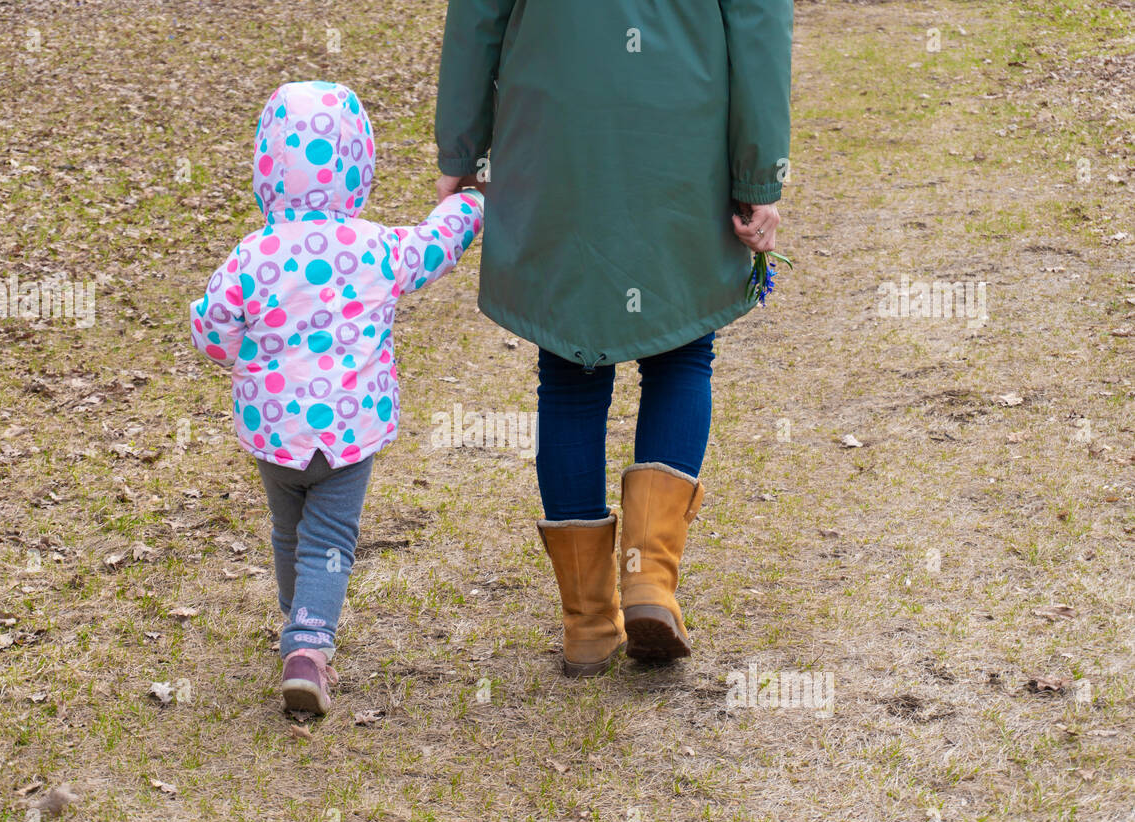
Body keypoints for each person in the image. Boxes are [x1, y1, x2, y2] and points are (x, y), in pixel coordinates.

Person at [434, 0, 793, 675]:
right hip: (682, 127)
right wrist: (759, 170)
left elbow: (477, 14)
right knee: (682, 352)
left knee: (569, 367)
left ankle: (589, 624)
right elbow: (758, 22)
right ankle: (649, 582)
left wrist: (461, 144)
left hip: (555, 128)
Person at [191, 81, 484, 712]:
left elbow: (213, 331)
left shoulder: (253, 255)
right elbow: (433, 245)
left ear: (266, 167)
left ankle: (299, 616)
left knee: (288, 525)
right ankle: (308, 644)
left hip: (273, 428)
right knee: (331, 535)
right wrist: (470, 205)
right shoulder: (375, 247)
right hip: (350, 428)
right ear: (359, 166)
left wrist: (238, 353)